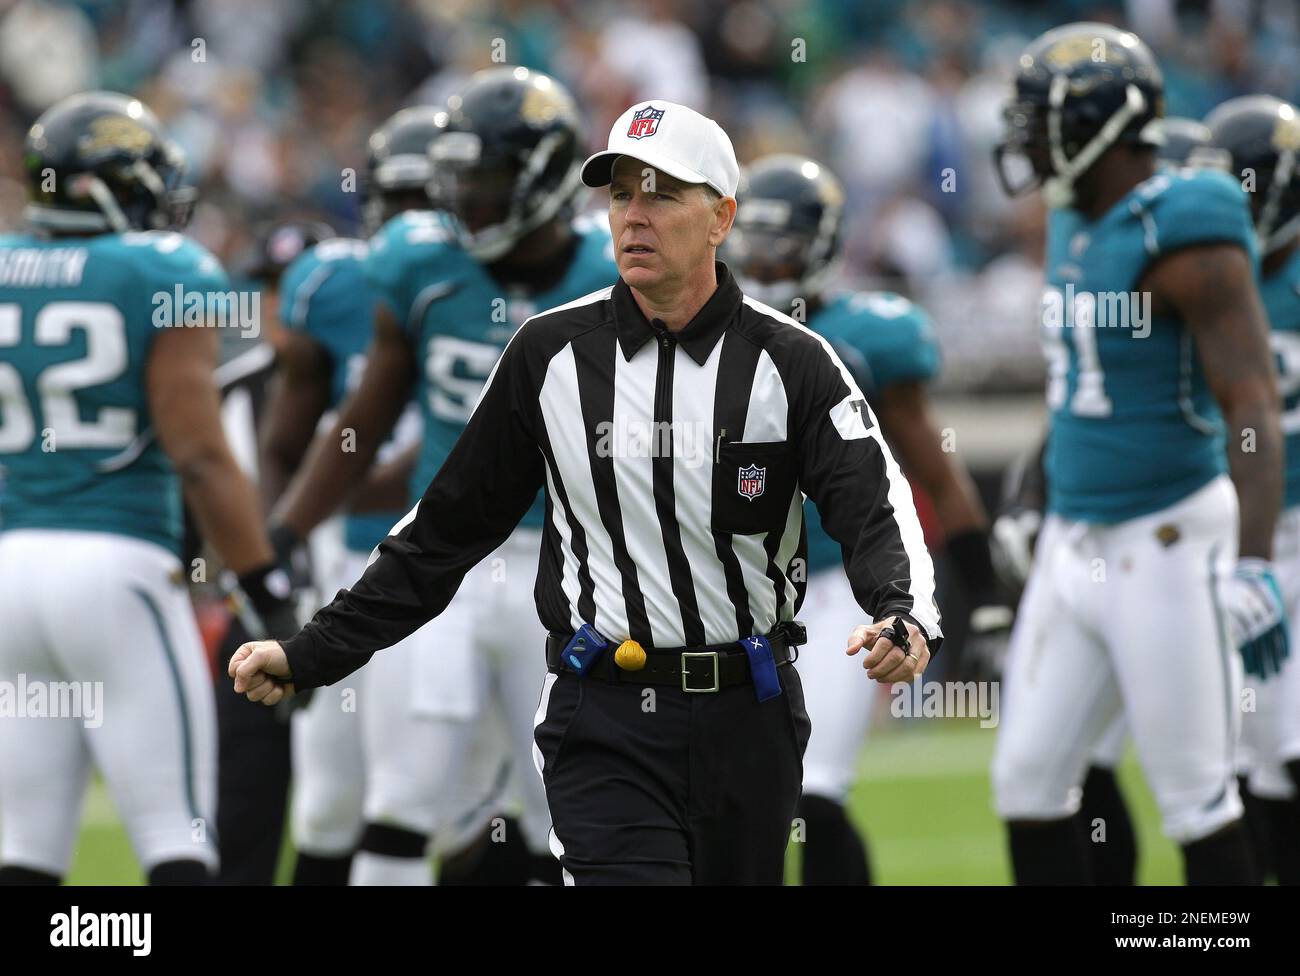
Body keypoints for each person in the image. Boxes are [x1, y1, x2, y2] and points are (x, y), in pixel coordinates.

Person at [231, 97, 942, 886]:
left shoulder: (794, 361)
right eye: (621, 194)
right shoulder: (548, 354)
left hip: (751, 709)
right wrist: (311, 652)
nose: (634, 216)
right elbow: (443, 531)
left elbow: (875, 503)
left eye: (662, 194)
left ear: (720, 217)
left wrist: (902, 610)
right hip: (603, 710)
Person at [267, 68, 615, 885]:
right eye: (457, 185)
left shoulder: (614, 270)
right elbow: (367, 417)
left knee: (570, 813)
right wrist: (283, 534)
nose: (464, 207)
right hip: (441, 565)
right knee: (401, 803)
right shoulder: (419, 265)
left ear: (544, 182)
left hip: (569, 569)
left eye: (486, 187)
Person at [990, 23, 1287, 885]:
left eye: (1039, 121)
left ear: (1098, 124)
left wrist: (1256, 562)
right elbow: (1073, 391)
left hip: (1163, 540)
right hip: (1074, 541)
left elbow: (1252, 399)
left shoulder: (1184, 222)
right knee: (1029, 782)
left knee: (1198, 801)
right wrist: (1039, 492)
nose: (1024, 143)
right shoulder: (1072, 219)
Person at [0, 91, 297, 885]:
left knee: (25, 846)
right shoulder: (163, 269)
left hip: (12, 565)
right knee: (177, 834)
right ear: (111, 184)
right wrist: (265, 581)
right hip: (117, 567)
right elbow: (199, 452)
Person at [725, 152, 1002, 885]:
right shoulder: (707, 327)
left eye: (780, 240)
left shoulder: (870, 333)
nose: (763, 256)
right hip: (732, 590)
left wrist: (984, 597)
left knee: (813, 791)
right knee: (732, 801)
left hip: (837, 587)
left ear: (821, 243)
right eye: (751, 238)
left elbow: (937, 472)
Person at [1200, 93, 1300, 885]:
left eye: (1252, 185)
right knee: (1236, 758)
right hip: (1225, 535)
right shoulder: (1200, 270)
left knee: (1288, 752)